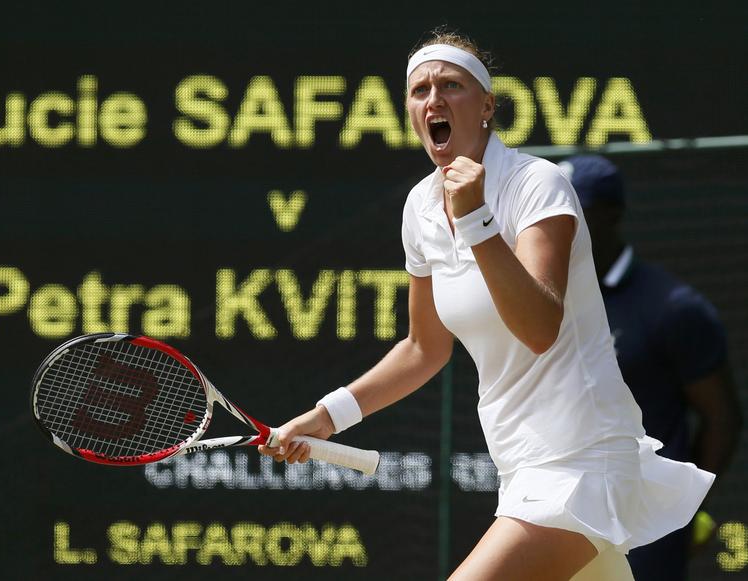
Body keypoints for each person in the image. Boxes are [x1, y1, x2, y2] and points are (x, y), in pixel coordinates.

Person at [259, 29, 715, 580]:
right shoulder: (419, 208)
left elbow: (540, 326)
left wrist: (476, 217)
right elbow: (423, 348)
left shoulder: (537, 184)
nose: (434, 99)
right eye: (420, 90)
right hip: (519, 466)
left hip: (583, 461)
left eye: (451, 85)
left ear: (487, 107)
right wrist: (327, 417)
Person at [559, 154, 742, 580]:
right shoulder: (545, 299)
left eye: (576, 213)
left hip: (641, 536)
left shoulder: (673, 308)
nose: (561, 225)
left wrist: (679, 509)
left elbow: (722, 418)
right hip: (555, 518)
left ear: (612, 214)